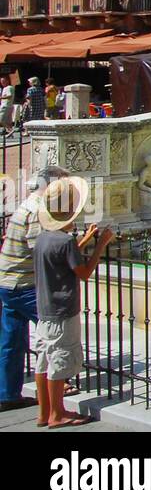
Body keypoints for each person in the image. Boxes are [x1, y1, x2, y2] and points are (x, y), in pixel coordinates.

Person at [33, 176, 114, 428]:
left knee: (43, 361)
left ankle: (44, 413)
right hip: (63, 311)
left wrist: (85, 240)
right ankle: (57, 415)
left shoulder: (43, 238)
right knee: (59, 361)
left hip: (44, 311)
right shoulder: (66, 241)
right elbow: (84, 273)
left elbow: (61, 259)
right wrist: (101, 244)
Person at [0, 166, 70, 413]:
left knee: (12, 339)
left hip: (8, 280)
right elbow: (41, 250)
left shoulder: (29, 204)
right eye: (64, 186)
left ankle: (7, 394)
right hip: (23, 284)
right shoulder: (38, 210)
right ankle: (57, 382)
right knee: (55, 330)